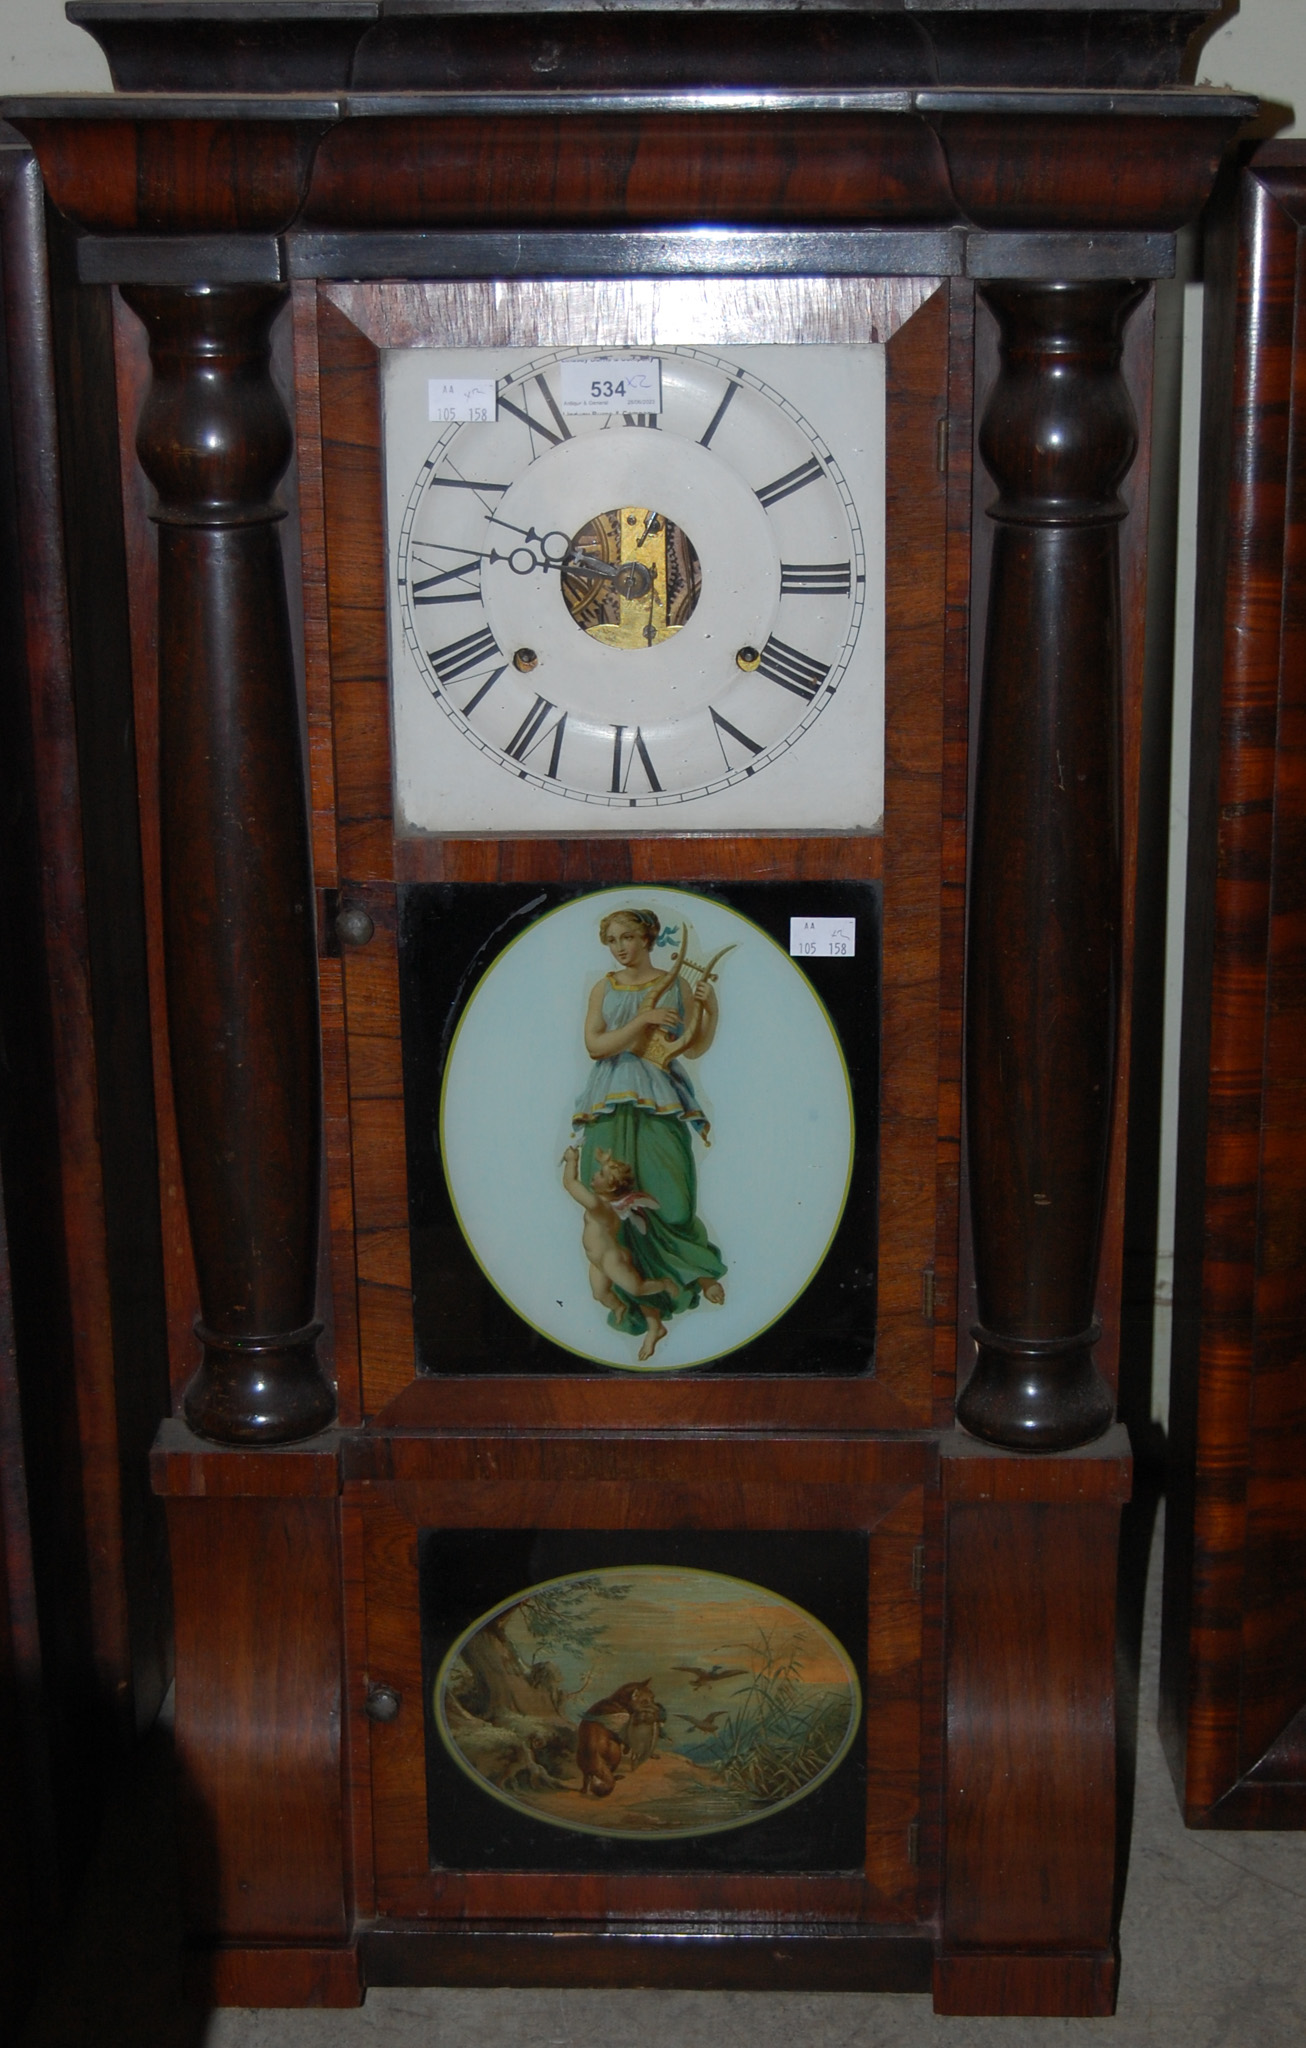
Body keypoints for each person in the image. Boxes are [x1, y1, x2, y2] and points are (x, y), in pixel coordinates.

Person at [570, 909, 726, 1351]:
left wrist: (708, 1011)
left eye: (628, 938)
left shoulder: (674, 984)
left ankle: (692, 1268)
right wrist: (640, 1021)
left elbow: (689, 1048)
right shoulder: (605, 987)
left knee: (673, 1199)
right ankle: (643, 1302)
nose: (619, 947)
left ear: (648, 939)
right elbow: (595, 1046)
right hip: (608, 1099)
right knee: (610, 1205)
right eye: (612, 940)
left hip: (660, 1097)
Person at [561, 1144, 672, 1361]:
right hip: (597, 1261)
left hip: (611, 1259)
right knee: (600, 1294)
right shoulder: (607, 1200)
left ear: (610, 1188)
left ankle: (664, 1285)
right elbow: (612, 1182)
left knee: (637, 1289)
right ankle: (619, 1306)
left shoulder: (595, 1204)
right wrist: (605, 1164)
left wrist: (572, 1160)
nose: (594, 1175)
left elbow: (570, 1183)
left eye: (600, 1174)